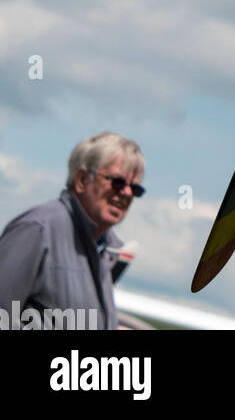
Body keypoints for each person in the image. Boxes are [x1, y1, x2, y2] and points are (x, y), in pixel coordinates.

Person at [0, 131, 145, 330]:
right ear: (82, 179)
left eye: (135, 189)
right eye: (117, 183)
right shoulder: (37, 230)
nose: (127, 193)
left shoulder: (105, 252)